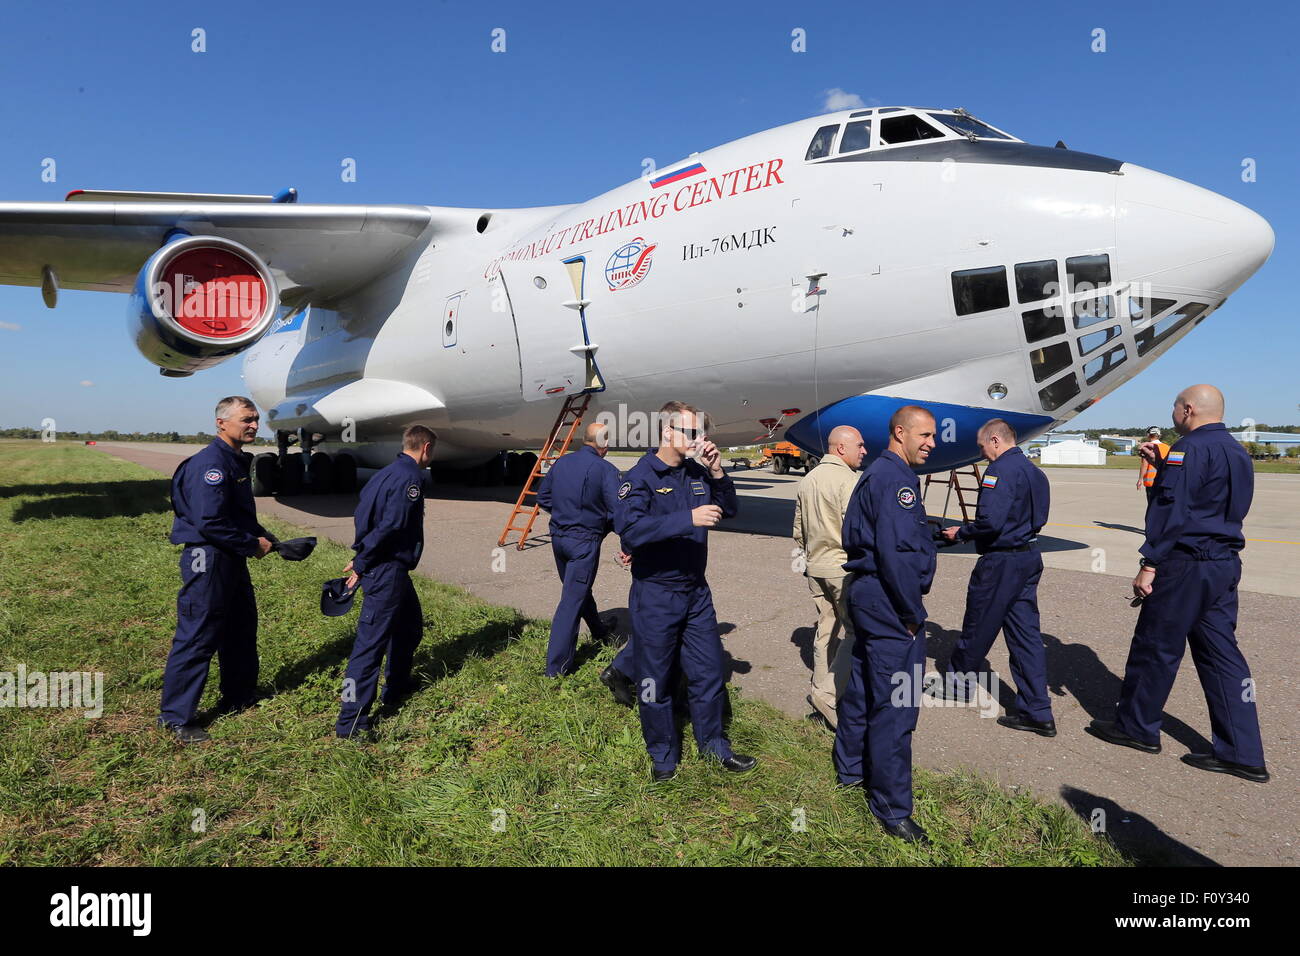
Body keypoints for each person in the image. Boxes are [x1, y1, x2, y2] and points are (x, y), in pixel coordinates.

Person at [1088, 386, 1269, 782]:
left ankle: (1136, 728)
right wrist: (1160, 475)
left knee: (1156, 645)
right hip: (1223, 564)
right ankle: (1243, 752)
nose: (1172, 412)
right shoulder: (1238, 452)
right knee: (1222, 656)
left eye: (1174, 405)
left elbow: (1175, 512)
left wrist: (1150, 563)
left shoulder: (1189, 449)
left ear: (1188, 409)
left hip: (1186, 564)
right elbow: (1207, 502)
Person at [614, 401, 756, 781]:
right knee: (655, 679)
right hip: (656, 592)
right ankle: (663, 756)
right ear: (667, 433)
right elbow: (630, 531)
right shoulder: (641, 476)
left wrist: (718, 471)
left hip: (696, 592)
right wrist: (686, 518)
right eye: (692, 433)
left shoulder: (697, 472)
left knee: (708, 673)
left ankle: (713, 746)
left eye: (703, 433)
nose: (700, 440)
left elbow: (730, 509)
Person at [833, 405, 936, 843]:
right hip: (890, 601)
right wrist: (911, 613)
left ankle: (851, 769)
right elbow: (896, 554)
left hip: (867, 594)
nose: (931, 443)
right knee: (897, 704)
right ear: (900, 433)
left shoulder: (875, 473)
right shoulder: (896, 480)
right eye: (925, 435)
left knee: (861, 686)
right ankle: (892, 808)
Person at [160, 396, 274, 743]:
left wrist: (271, 539)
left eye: (255, 419)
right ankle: (176, 717)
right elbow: (211, 522)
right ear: (221, 423)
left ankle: (238, 693)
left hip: (229, 556)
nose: (254, 425)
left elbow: (236, 515)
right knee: (198, 633)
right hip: (208, 557)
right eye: (246, 419)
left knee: (240, 625)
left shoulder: (234, 460)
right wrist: (252, 544)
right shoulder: (211, 464)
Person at [935, 420, 1054, 736]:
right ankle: (1037, 711)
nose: (982, 452)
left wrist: (960, 532)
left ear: (996, 440)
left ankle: (956, 685)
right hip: (1029, 556)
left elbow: (990, 522)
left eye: (982, 445)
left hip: (1002, 561)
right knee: (1026, 636)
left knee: (978, 625)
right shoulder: (1035, 473)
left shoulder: (1000, 472)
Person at [335, 425, 436, 740]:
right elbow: (392, 524)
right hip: (385, 568)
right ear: (427, 447)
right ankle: (351, 724)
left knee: (410, 627)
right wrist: (363, 560)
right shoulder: (411, 479)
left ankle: (397, 686)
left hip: (388, 567)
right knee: (369, 645)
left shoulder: (384, 473)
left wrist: (362, 550)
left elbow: (363, 513)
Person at [793, 425, 867, 728]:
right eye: (859, 446)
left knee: (825, 629)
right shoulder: (850, 480)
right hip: (842, 569)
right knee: (854, 633)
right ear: (841, 448)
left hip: (814, 567)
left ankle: (820, 686)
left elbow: (798, 529)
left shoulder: (807, 479)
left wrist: (804, 563)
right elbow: (857, 529)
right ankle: (828, 695)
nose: (864, 451)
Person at [536, 422, 621, 677]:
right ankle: (556, 669)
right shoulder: (606, 469)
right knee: (571, 601)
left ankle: (599, 631)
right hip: (584, 541)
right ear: (604, 445)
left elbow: (543, 498)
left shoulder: (561, 463)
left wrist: (566, 515)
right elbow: (619, 511)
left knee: (577, 589)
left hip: (559, 539)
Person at [1137, 425, 1169, 501]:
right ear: (1159, 435)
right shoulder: (1167, 447)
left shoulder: (1147, 447)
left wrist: (1140, 479)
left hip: (1151, 482)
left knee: (1151, 506)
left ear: (1148, 435)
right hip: (1164, 481)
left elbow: (1145, 465)